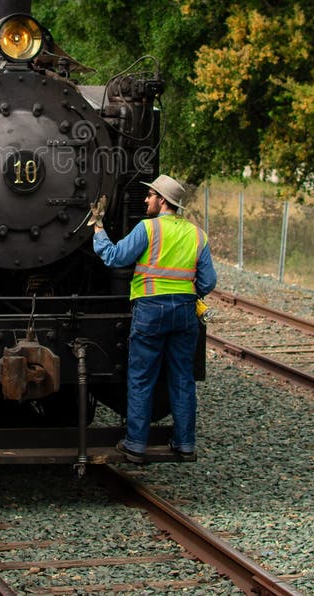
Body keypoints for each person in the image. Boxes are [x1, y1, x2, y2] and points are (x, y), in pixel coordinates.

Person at [90, 174, 216, 464]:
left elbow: (114, 257)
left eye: (150, 195)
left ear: (162, 201)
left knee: (141, 378)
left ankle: (135, 445)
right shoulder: (197, 234)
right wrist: (185, 290)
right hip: (185, 312)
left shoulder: (148, 229)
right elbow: (208, 281)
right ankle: (185, 445)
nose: (146, 199)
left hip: (150, 312)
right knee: (183, 379)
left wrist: (98, 229)